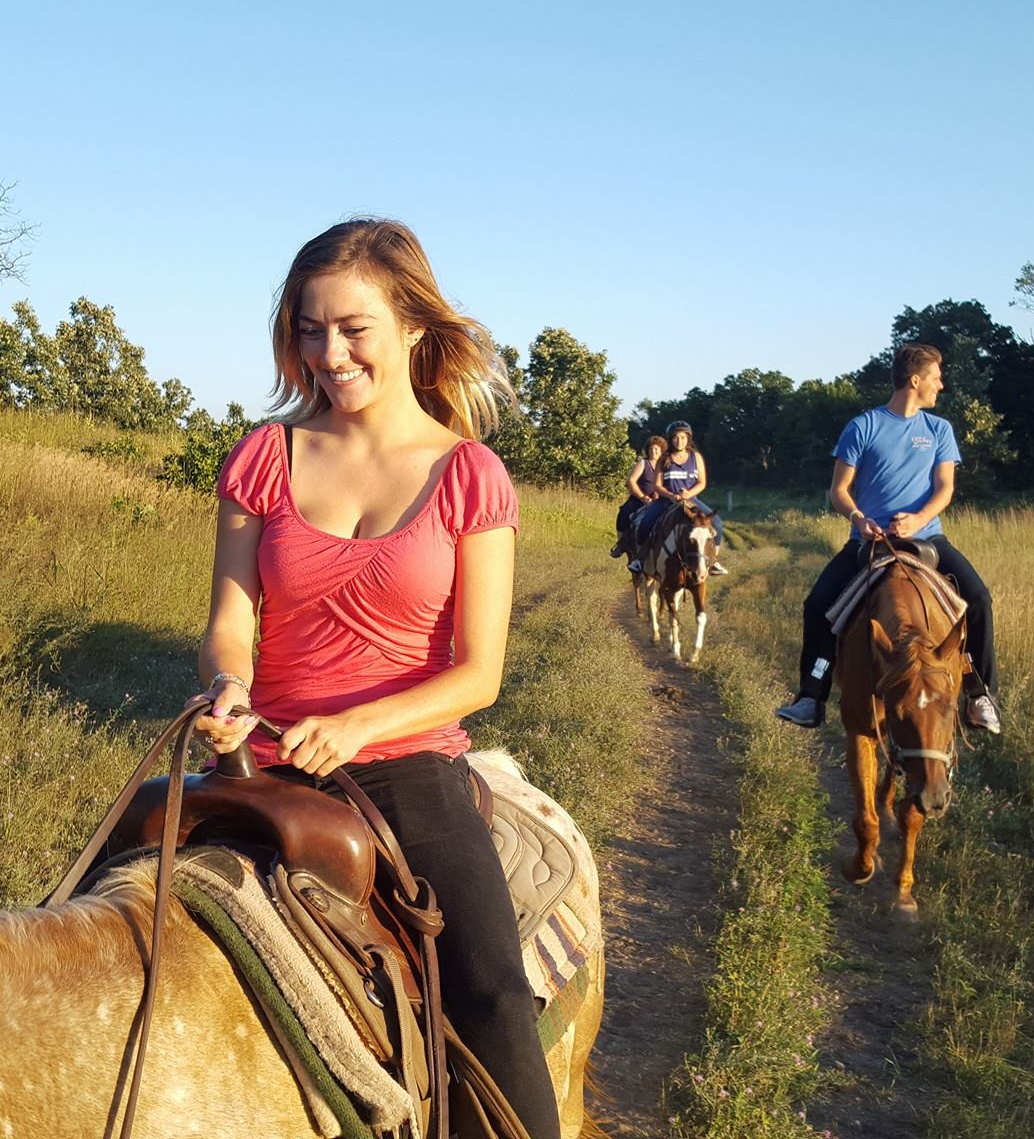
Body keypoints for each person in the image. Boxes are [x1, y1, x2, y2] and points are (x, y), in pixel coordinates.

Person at [187, 218, 559, 1139]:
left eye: (353, 328)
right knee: (103, 905)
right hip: (263, 758)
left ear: (412, 326)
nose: (329, 353)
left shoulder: (469, 475)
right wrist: (229, 690)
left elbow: (480, 673)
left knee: (493, 993)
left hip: (404, 763)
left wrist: (356, 728)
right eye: (310, 330)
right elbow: (232, 621)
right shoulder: (263, 457)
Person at [773, 343, 1001, 733]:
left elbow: (945, 488)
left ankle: (980, 695)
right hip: (870, 543)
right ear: (915, 380)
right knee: (817, 606)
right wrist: (859, 519)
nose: (940, 386)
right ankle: (811, 695)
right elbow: (838, 491)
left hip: (927, 540)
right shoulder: (863, 426)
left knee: (978, 599)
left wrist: (918, 519)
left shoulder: (938, 430)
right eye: (936, 377)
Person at [629, 420, 729, 575]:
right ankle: (640, 560)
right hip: (667, 501)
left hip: (691, 501)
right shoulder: (664, 459)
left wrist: (687, 494)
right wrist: (671, 495)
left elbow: (702, 482)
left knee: (717, 524)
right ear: (670, 439)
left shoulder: (696, 457)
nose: (679, 441)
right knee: (646, 523)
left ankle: (713, 561)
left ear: (688, 439)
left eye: (682, 437)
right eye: (675, 438)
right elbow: (657, 485)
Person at [611, 433, 666, 557]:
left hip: (659, 499)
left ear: (662, 451)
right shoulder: (643, 463)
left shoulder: (665, 466)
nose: (653, 451)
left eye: (656, 449)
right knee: (624, 513)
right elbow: (631, 481)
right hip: (639, 499)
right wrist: (642, 497)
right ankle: (621, 544)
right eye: (651, 449)